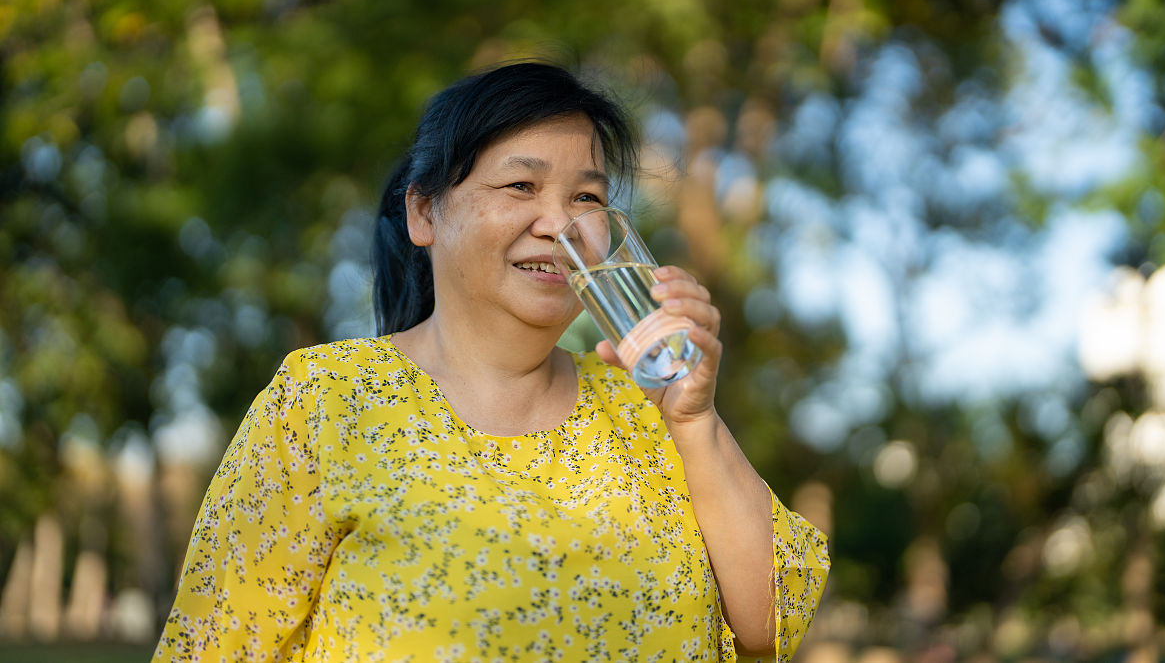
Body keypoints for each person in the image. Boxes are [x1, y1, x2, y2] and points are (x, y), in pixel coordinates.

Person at [154, 62, 829, 662]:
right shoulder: (324, 399)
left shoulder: (651, 409)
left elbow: (768, 629)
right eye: (520, 186)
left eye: (587, 197)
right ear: (424, 213)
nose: (560, 225)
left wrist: (695, 419)